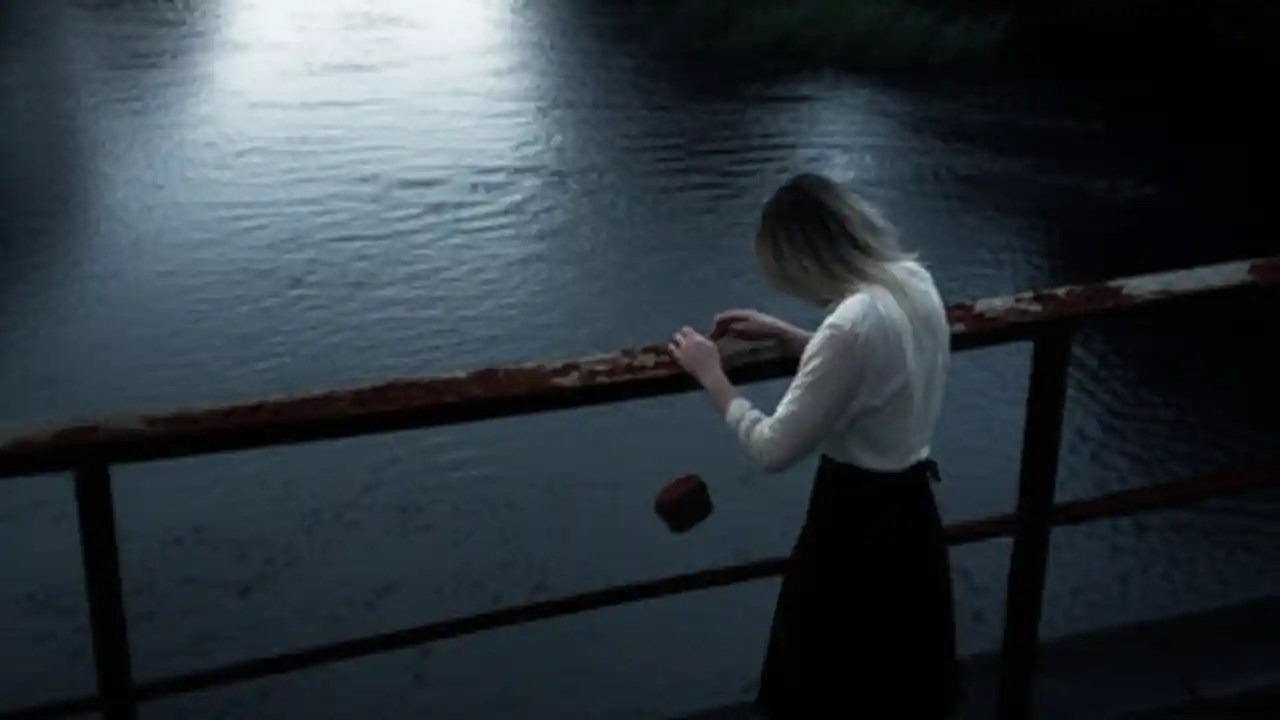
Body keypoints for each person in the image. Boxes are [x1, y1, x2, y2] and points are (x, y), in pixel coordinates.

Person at [668, 173, 959, 718]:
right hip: (913, 516)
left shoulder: (849, 325)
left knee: (823, 683)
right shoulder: (913, 280)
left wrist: (713, 376)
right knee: (901, 685)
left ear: (803, 259)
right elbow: (878, 373)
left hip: (852, 527)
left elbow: (772, 448)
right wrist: (790, 335)